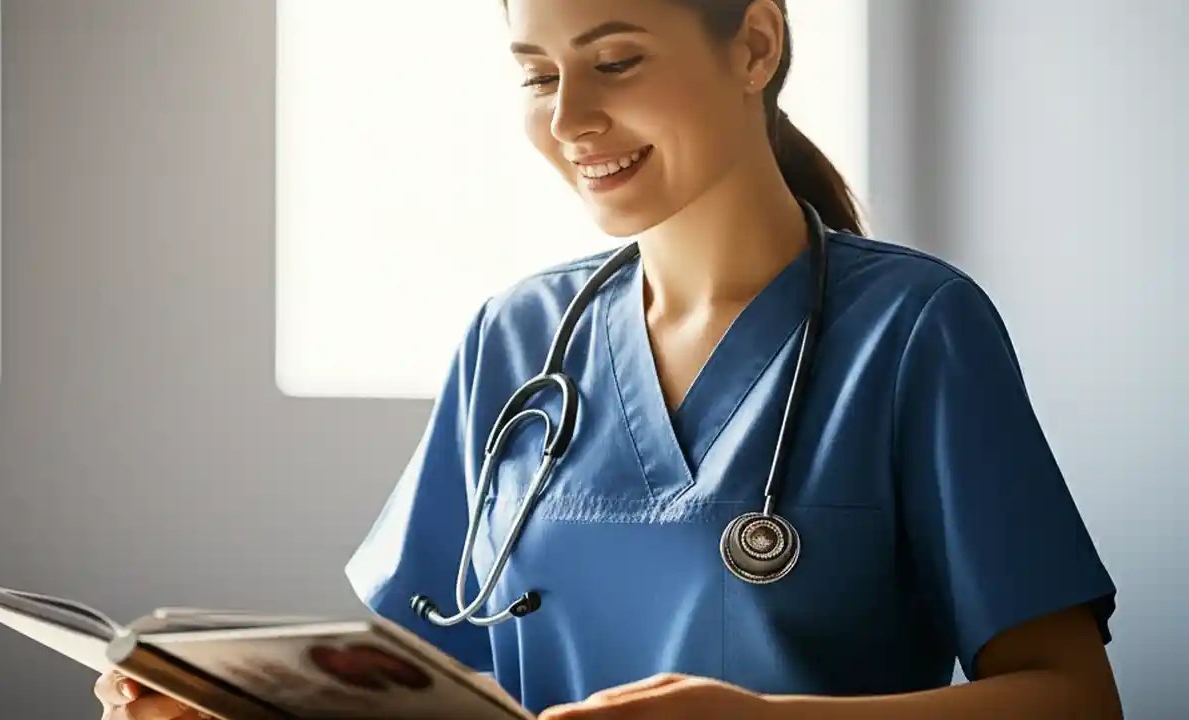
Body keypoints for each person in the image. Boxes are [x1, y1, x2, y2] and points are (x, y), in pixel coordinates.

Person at [95, 0, 1122, 718]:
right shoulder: (514, 339)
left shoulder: (913, 331)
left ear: (754, 44)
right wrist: (237, 708)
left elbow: (1071, 699)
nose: (567, 118)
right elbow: (415, 689)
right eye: (538, 74)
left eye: (615, 61)